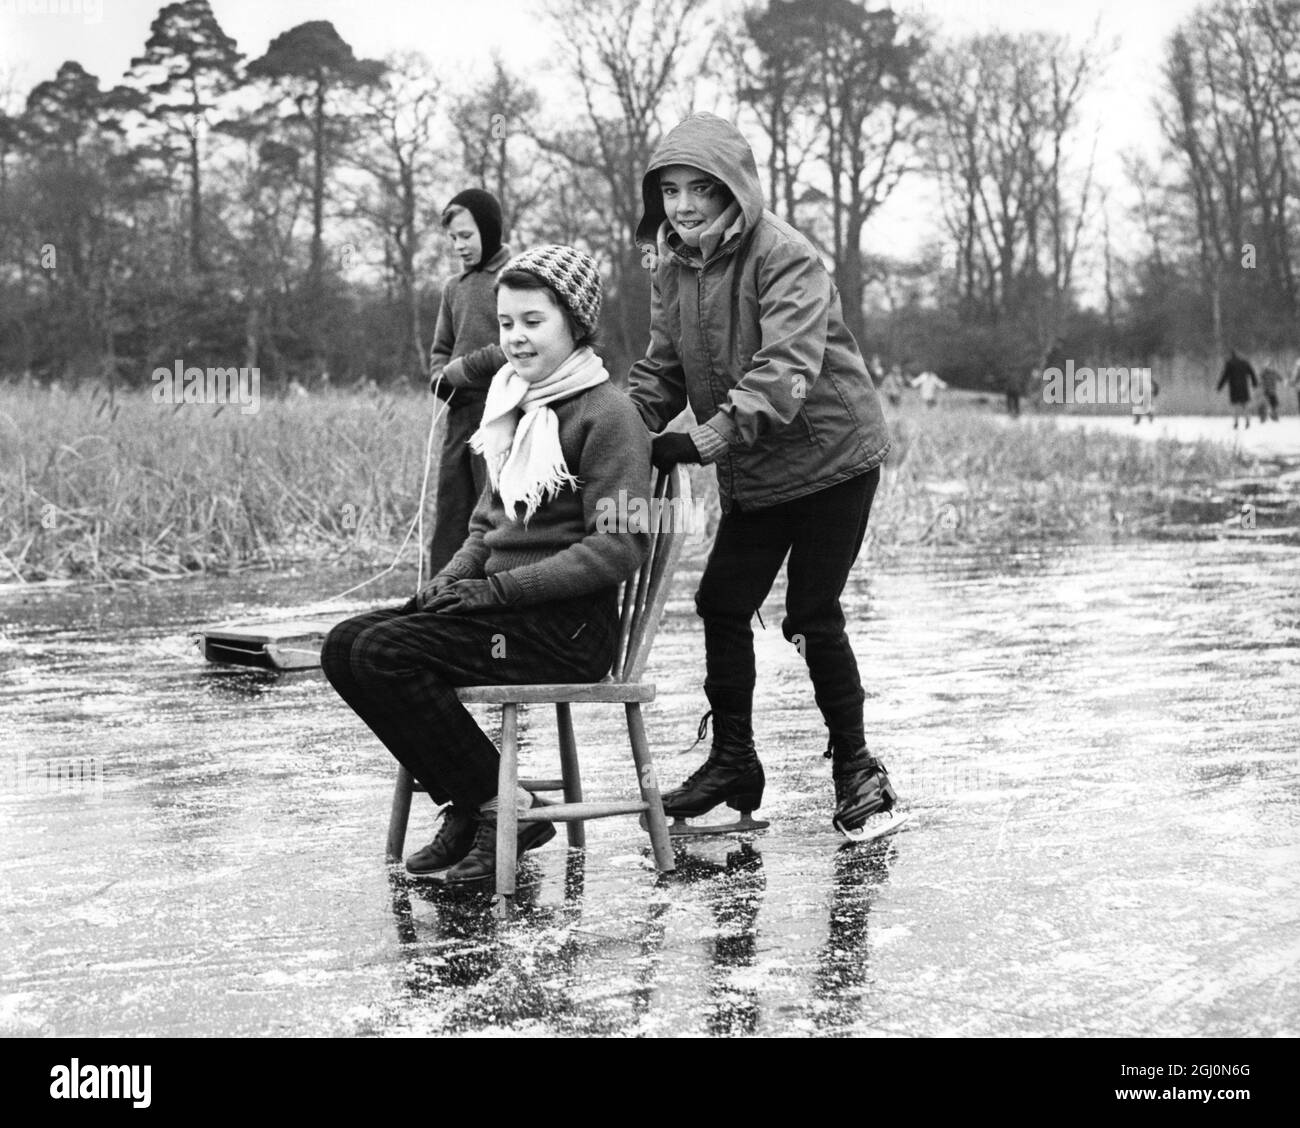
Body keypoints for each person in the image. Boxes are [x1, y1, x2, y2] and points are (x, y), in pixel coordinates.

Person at [322, 245, 652, 884]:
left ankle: (494, 806)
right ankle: (482, 802)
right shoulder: (516, 404)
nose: (516, 338)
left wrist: (497, 591)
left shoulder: (608, 415)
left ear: (576, 323)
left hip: (563, 631)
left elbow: (620, 547)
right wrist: (449, 584)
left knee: (383, 655)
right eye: (505, 324)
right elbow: (485, 527)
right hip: (506, 613)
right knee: (347, 644)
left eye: (534, 321)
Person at [627, 111, 900, 842]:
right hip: (757, 466)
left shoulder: (787, 256)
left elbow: (783, 373)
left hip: (832, 458)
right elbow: (663, 366)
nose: (683, 207)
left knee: (811, 614)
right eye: (671, 191)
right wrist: (616, 430)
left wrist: (704, 440)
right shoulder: (673, 263)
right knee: (722, 602)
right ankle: (735, 760)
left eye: (700, 190)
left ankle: (857, 768)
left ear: (734, 190)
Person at [426, 190, 512, 573]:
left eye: (466, 235)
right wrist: (439, 379)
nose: (459, 246)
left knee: (494, 507)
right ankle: (440, 597)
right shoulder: (453, 288)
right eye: (453, 239)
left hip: (503, 413)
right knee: (452, 508)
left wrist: (468, 369)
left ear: (489, 230)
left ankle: (493, 591)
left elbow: (516, 347)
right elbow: (440, 350)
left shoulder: (516, 277)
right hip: (459, 414)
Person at [1217, 349, 1257, 429]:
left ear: (1231, 355)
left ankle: (1236, 422)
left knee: (1235, 405)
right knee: (1245, 405)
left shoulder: (1229, 364)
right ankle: (1247, 421)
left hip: (1234, 387)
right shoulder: (1244, 363)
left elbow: (1225, 376)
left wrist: (1220, 386)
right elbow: (1252, 372)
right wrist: (1254, 383)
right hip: (1243, 387)